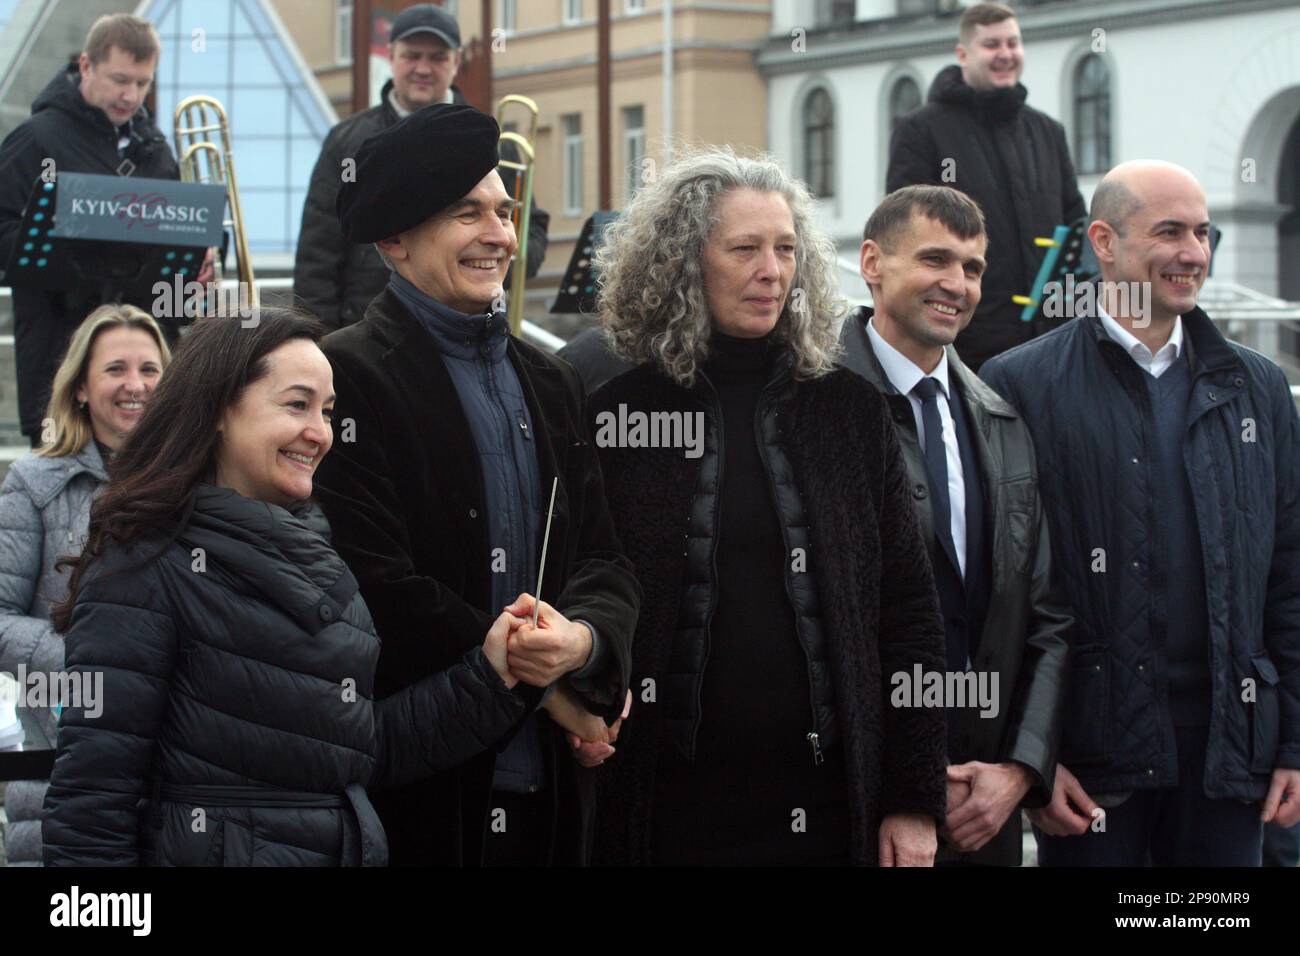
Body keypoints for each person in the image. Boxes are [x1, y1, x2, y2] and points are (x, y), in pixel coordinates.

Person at [40, 309, 530, 866]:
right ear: (218, 408)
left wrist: (492, 675)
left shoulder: (319, 553)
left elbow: (357, 753)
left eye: (326, 410)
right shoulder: (143, 566)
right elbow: (91, 802)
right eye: (296, 405)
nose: (320, 432)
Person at [588, 147, 949, 866]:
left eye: (786, 249)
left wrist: (913, 800)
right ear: (685, 262)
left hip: (825, 800)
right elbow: (590, 593)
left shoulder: (848, 412)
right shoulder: (618, 415)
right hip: (665, 807)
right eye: (745, 248)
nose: (771, 272)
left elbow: (909, 615)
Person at [314, 103, 640, 866]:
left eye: (503, 210)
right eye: (467, 214)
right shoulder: (343, 375)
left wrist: (584, 647)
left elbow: (604, 562)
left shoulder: (553, 381)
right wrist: (552, 690)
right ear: (394, 240)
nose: (499, 234)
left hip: (551, 793)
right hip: (420, 788)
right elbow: (378, 587)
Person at [981, 160, 1300, 866]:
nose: (1194, 252)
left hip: (1231, 755)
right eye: (1169, 232)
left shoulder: (1261, 389)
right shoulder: (1019, 384)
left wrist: (1294, 744)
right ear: (1104, 241)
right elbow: (1001, 596)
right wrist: (1030, 753)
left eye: (1202, 232)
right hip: (1091, 763)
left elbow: (1290, 571)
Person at [838, 185, 1072, 866]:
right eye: (936, 259)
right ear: (872, 262)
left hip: (984, 808)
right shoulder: (811, 402)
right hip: (861, 805)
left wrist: (1020, 771)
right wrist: (902, 785)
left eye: (972, 268)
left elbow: (1048, 615)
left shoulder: (999, 417)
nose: (957, 284)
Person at [0, 304, 169, 866]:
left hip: (176, 775)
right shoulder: (32, 484)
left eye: (150, 369)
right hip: (61, 765)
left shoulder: (200, 481)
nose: (135, 385)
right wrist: (89, 663)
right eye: (115, 369)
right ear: (79, 388)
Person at [0, 15, 202, 449]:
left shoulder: (156, 149)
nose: (131, 96)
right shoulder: (35, 140)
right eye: (119, 80)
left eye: (143, 84)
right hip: (62, 367)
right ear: (86, 66)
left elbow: (176, 293)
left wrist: (191, 277)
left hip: (145, 380)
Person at [294, 3, 550, 331]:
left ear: (457, 61)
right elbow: (318, 255)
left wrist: (487, 262)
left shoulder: (492, 140)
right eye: (412, 55)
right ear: (391, 56)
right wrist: (321, 342)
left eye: (438, 57)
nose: (423, 68)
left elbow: (532, 225)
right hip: (371, 333)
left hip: (474, 328)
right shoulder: (347, 143)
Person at [887, 2, 1085, 371]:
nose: (1006, 55)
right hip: (968, 345)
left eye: (1013, 43)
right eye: (993, 45)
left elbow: (1076, 225)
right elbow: (905, 237)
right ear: (963, 53)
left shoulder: (1047, 133)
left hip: (1054, 341)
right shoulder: (921, 131)